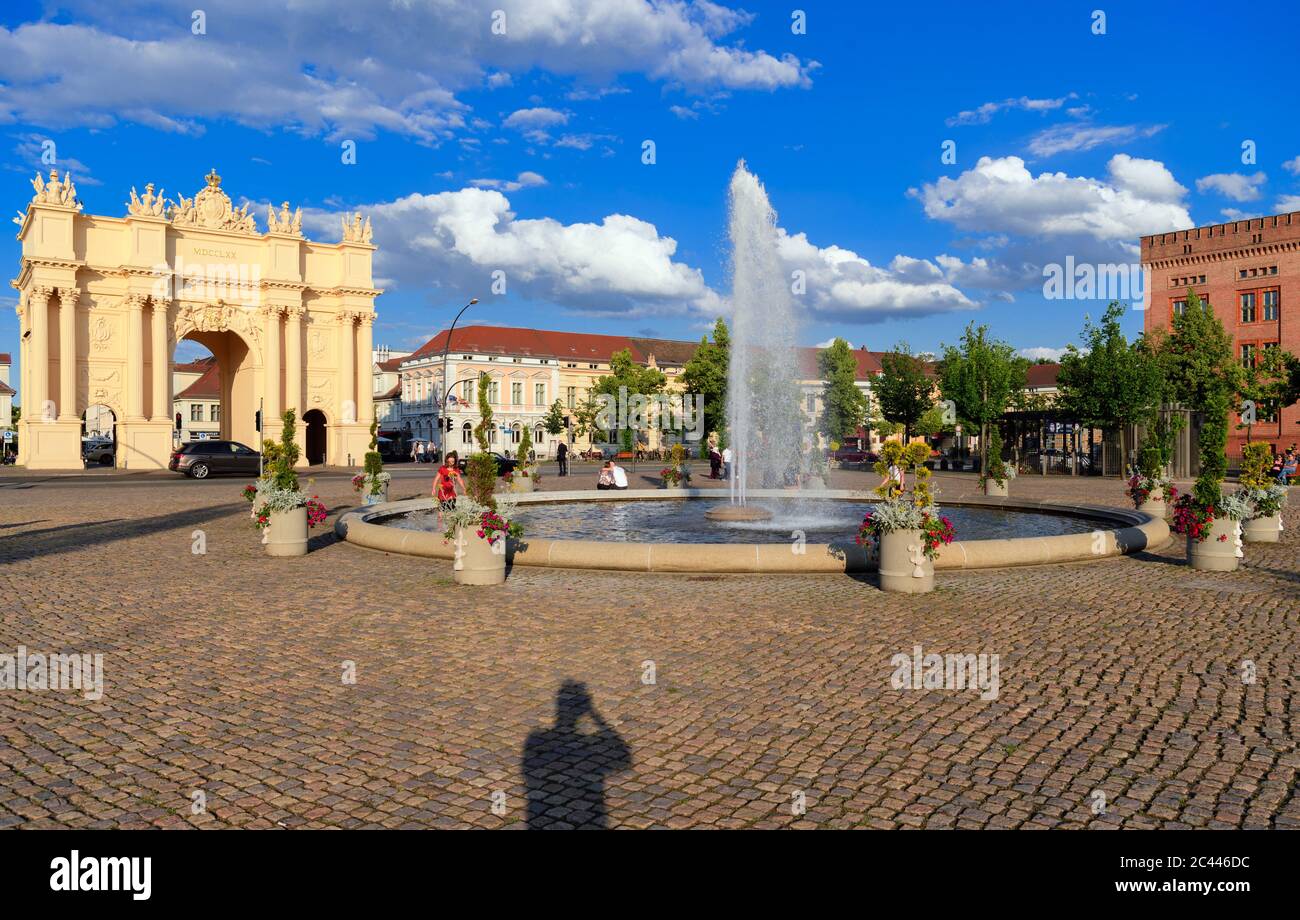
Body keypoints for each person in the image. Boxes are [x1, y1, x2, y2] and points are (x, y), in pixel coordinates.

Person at [434, 450, 464, 522]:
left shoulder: (455, 469)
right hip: (442, 493)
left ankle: (450, 527)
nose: (451, 463)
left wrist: (464, 488)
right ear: (447, 461)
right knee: (441, 511)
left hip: (452, 493)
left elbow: (459, 479)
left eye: (453, 462)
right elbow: (436, 479)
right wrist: (433, 489)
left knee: (451, 510)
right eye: (450, 462)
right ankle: (440, 527)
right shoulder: (442, 468)